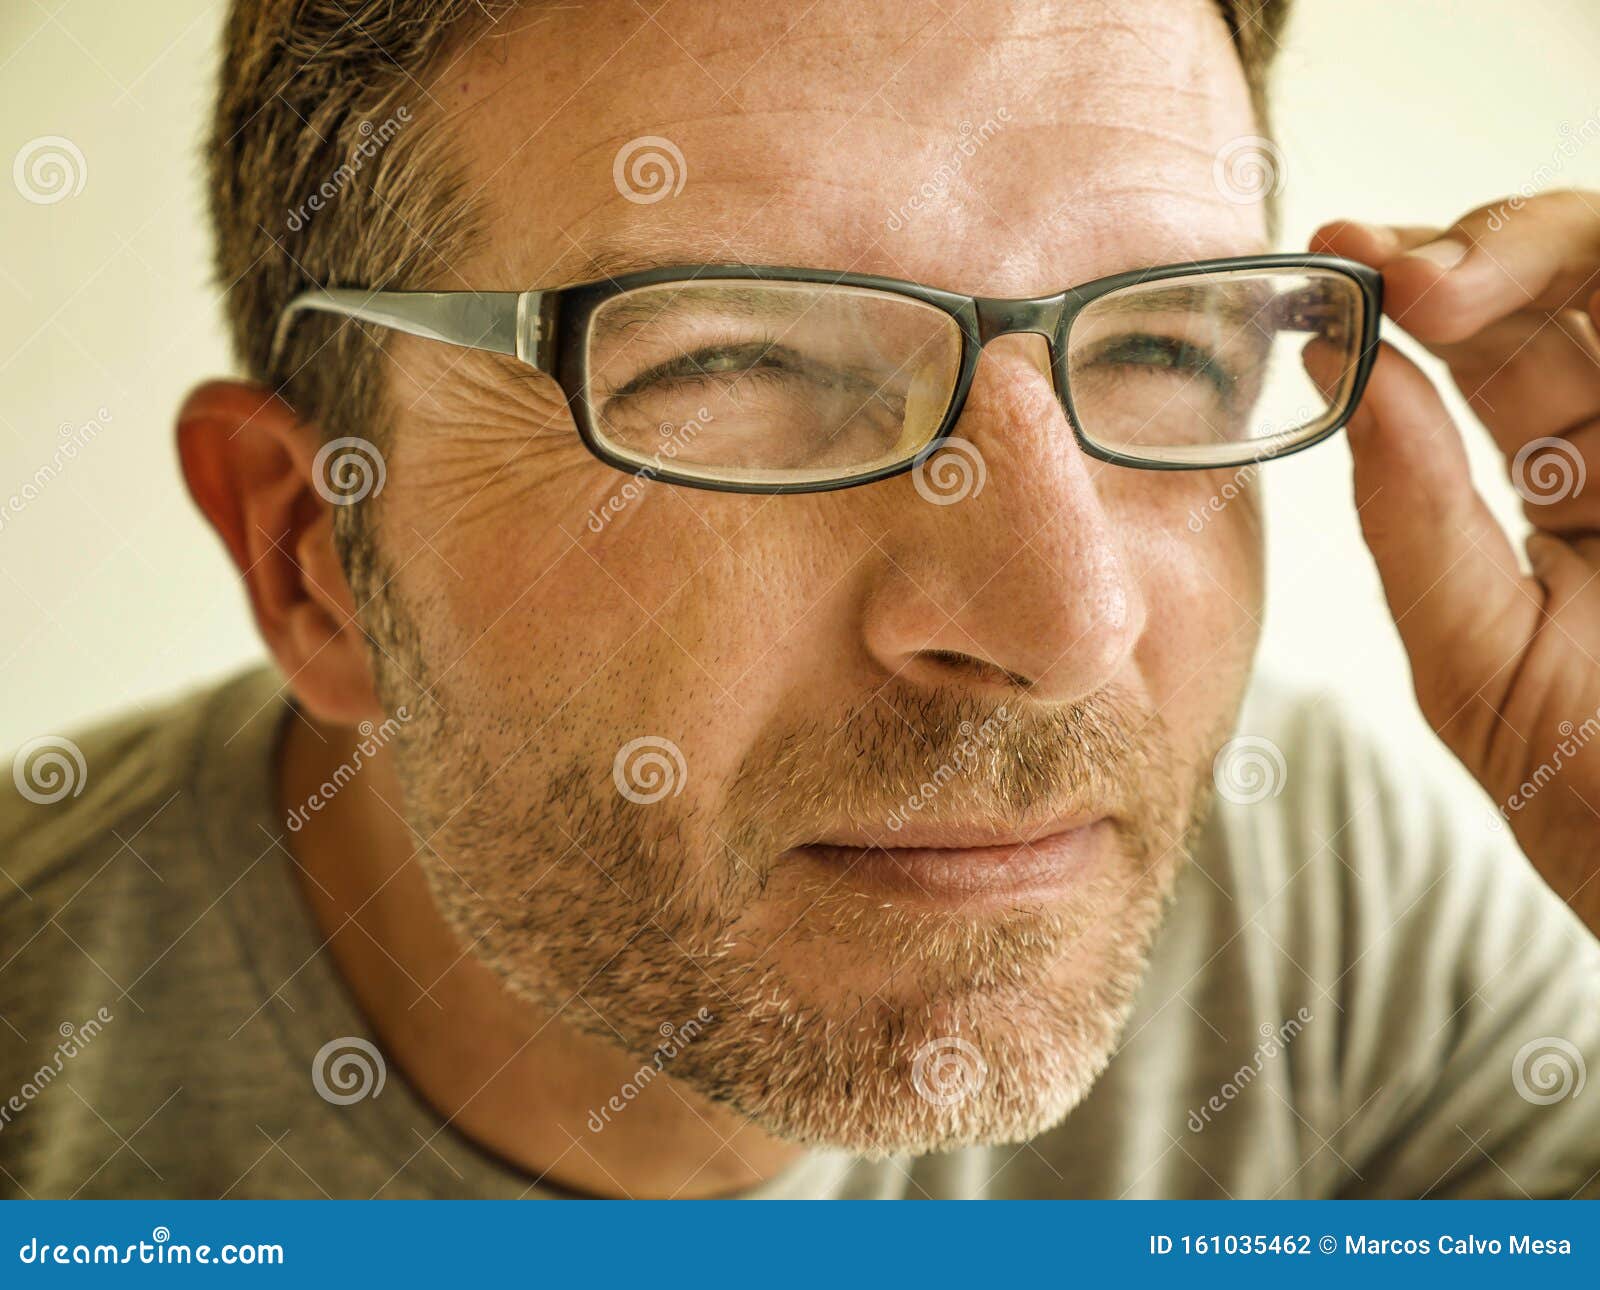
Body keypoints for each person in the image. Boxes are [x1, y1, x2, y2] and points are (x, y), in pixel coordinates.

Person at [3, 0, 1598, 1200]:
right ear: (313, 559)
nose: (1066, 626)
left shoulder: (1325, 913)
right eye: (738, 363)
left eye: (1158, 345)